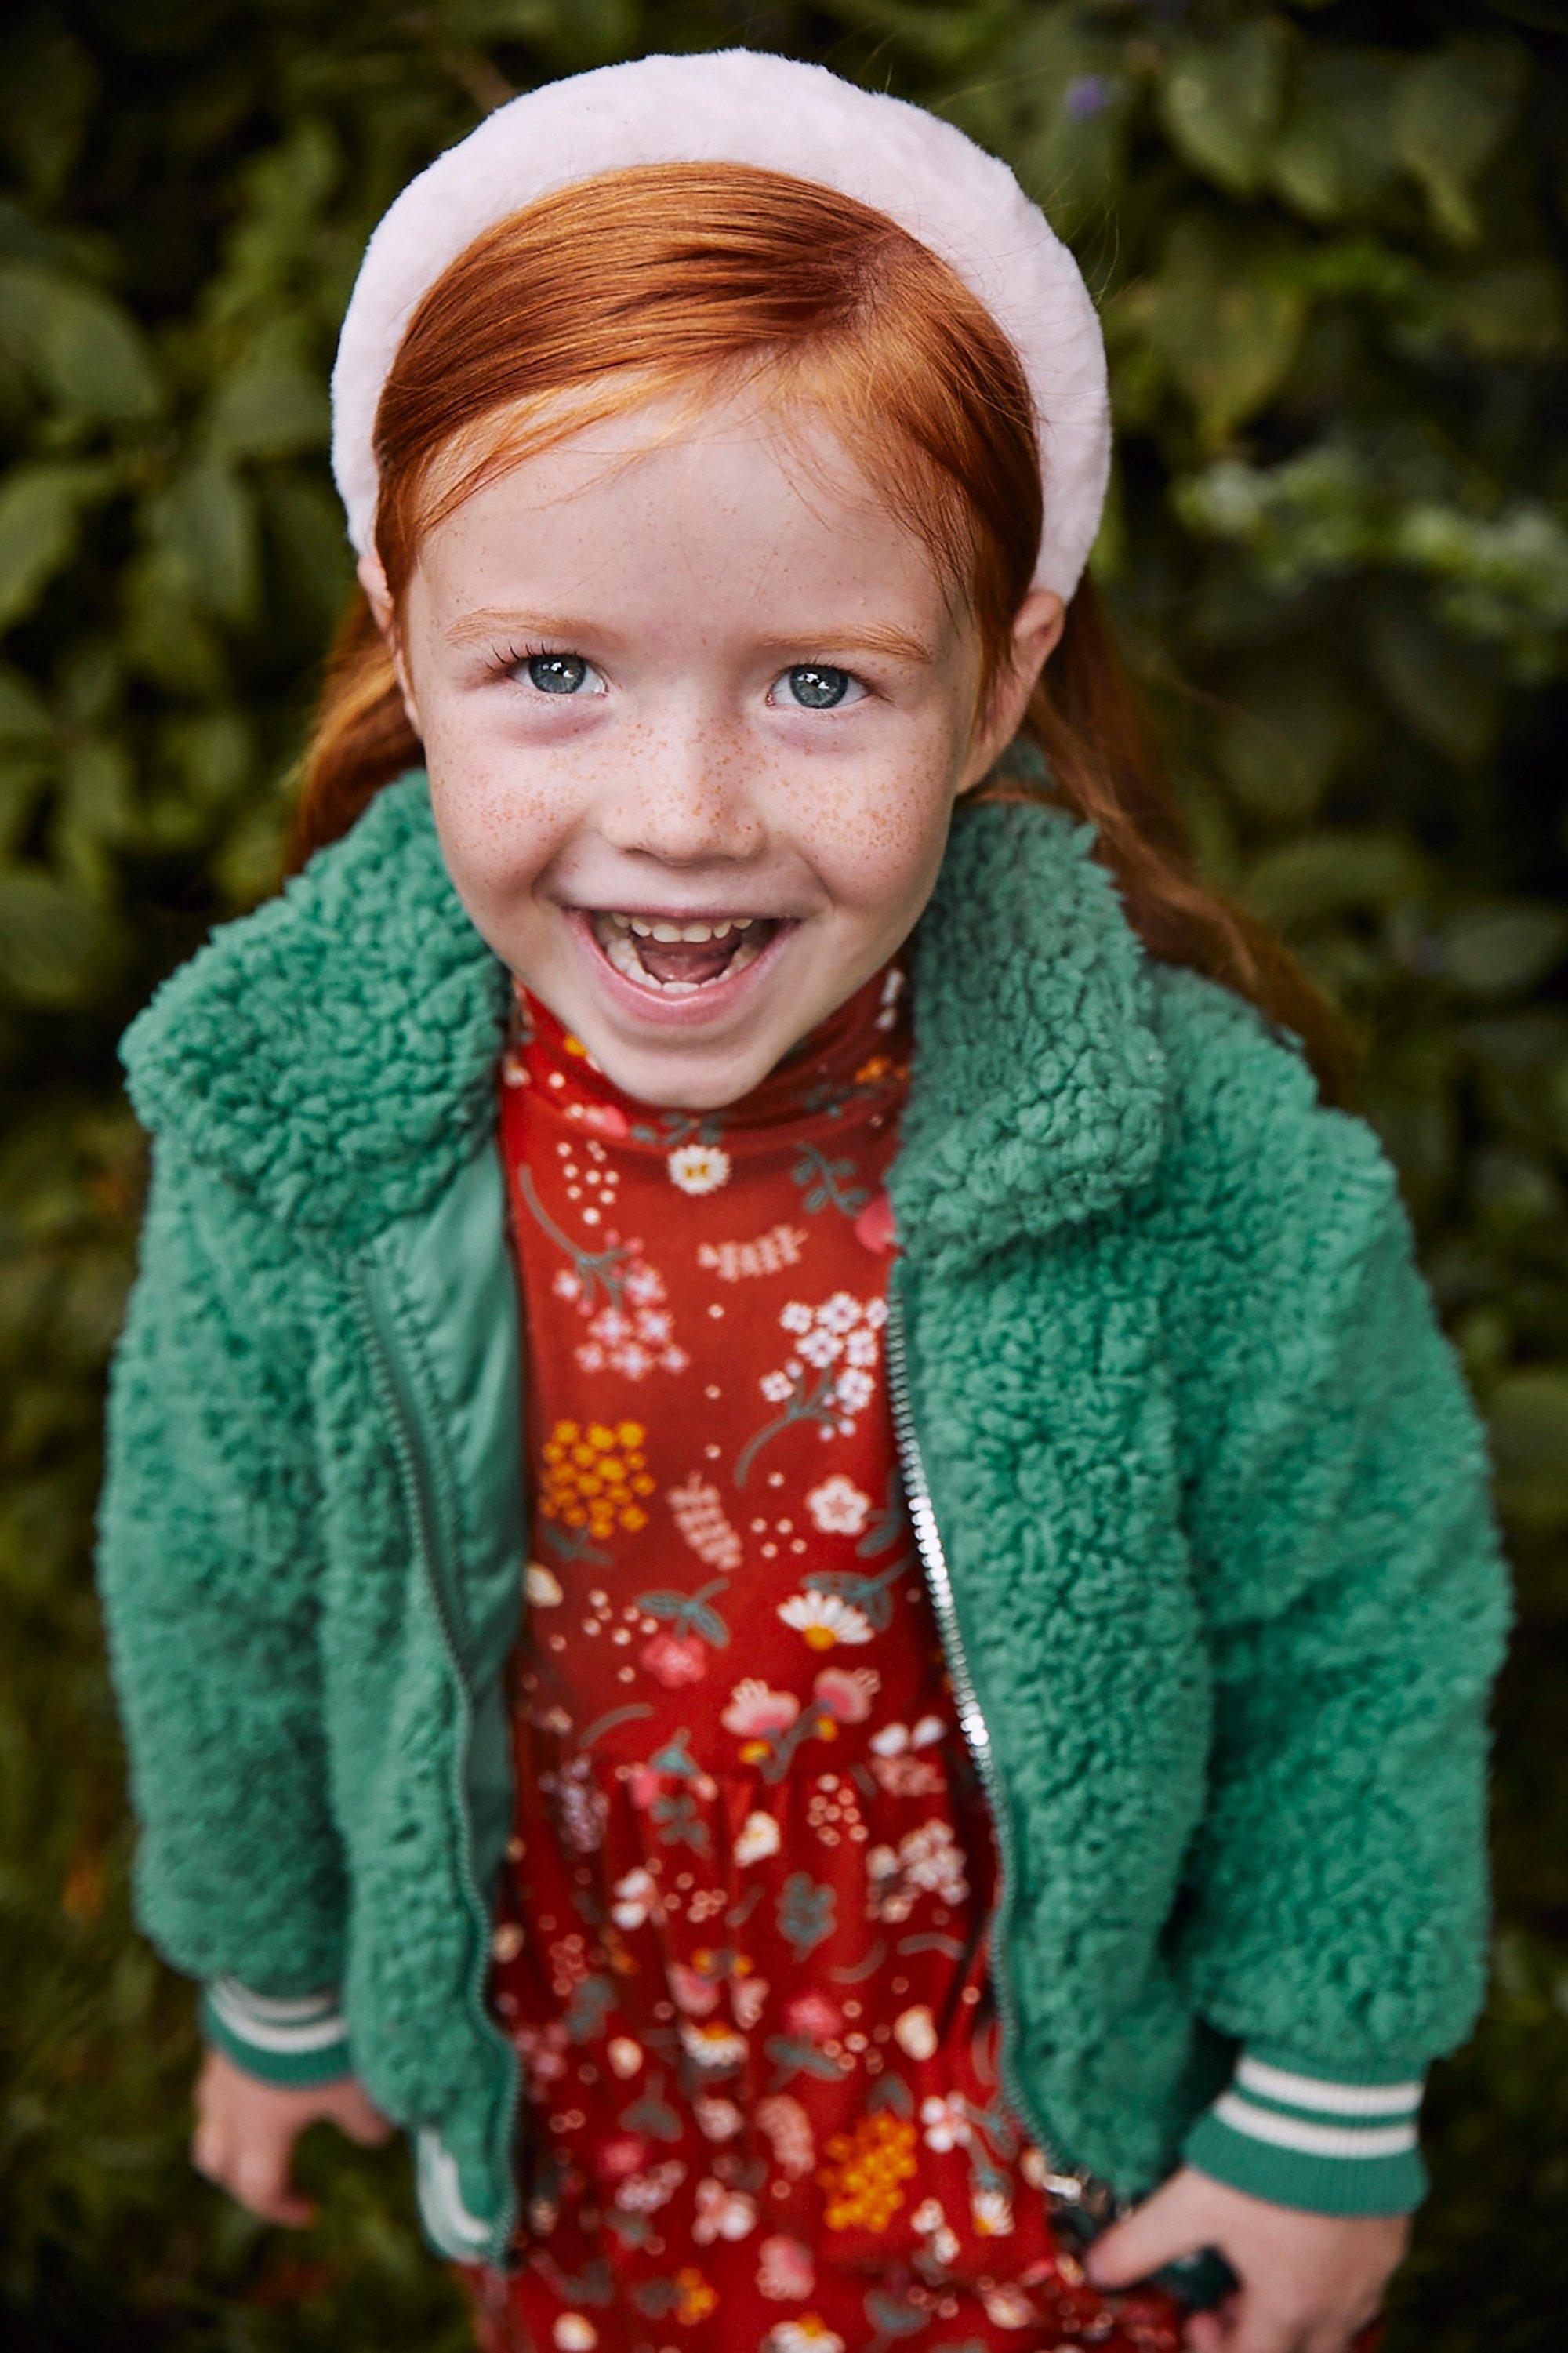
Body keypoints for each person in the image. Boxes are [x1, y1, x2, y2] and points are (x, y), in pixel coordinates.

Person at [93, 48, 1513, 2353]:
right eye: (555, 669)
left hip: (1035, 2132)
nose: (684, 812)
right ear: (405, 634)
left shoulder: (1194, 1154)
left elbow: (1358, 1613)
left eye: (820, 684)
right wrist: (275, 1978)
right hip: (599, 2107)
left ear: (995, 683)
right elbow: (214, 1575)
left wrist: (1327, 2095)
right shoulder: (304, 1135)